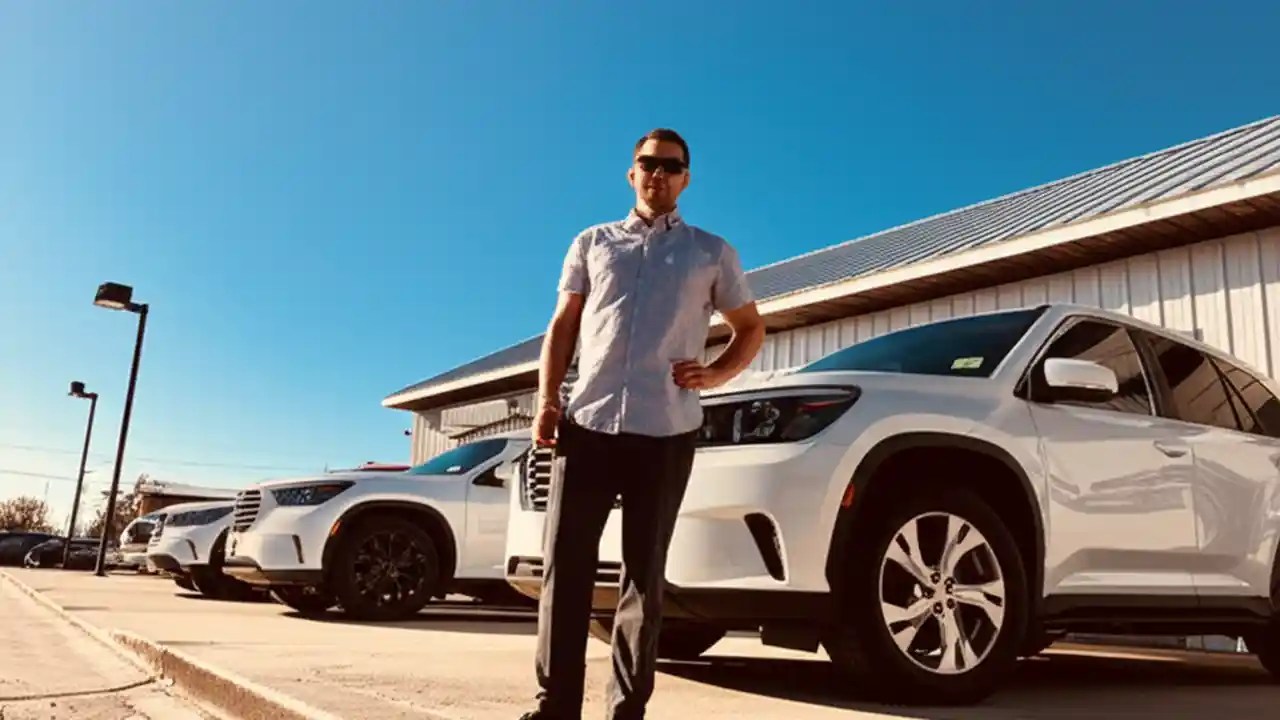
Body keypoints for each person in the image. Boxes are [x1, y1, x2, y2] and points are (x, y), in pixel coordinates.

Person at [521, 128, 766, 720]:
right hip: (589, 424)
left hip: (666, 430)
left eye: (670, 166)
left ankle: (626, 710)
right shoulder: (593, 242)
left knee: (642, 576)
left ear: (686, 178)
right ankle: (555, 706)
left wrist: (716, 373)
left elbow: (750, 326)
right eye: (646, 164)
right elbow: (564, 325)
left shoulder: (711, 252)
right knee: (566, 567)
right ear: (630, 173)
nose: (657, 173)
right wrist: (548, 399)